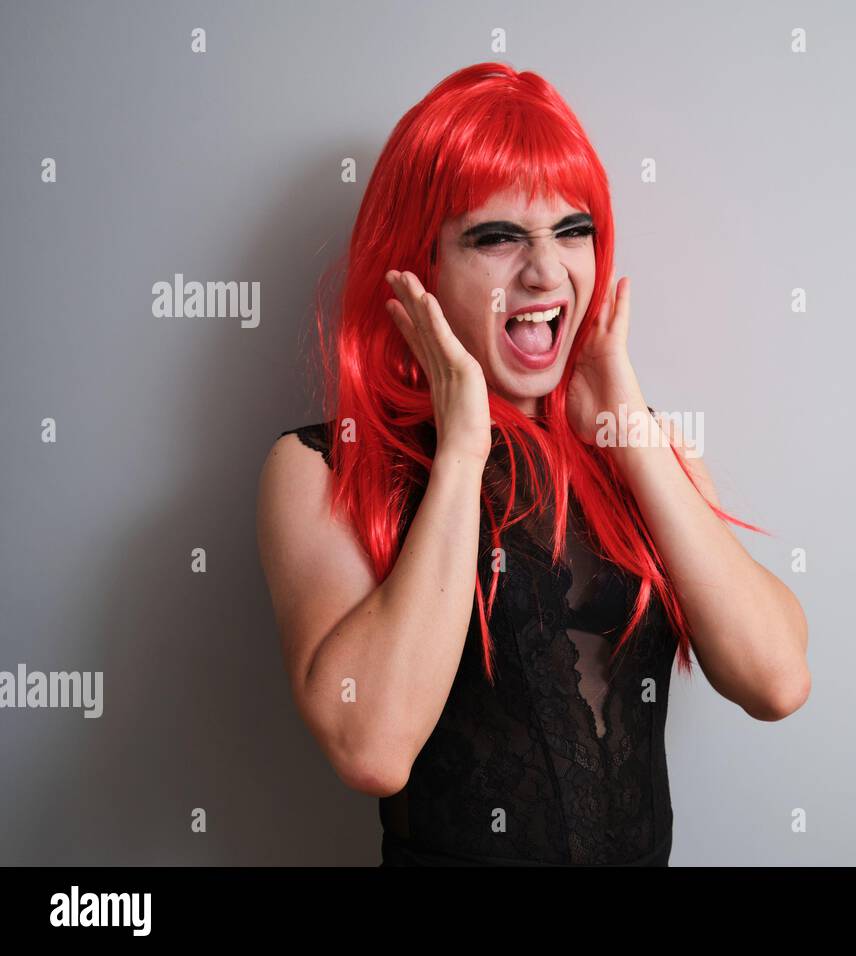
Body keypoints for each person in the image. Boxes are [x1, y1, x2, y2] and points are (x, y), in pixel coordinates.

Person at [256, 62, 810, 866]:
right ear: (421, 267)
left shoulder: (637, 442)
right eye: (498, 236)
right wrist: (461, 456)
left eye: (572, 229)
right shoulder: (321, 466)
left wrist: (625, 426)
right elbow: (370, 747)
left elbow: (777, 680)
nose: (547, 272)